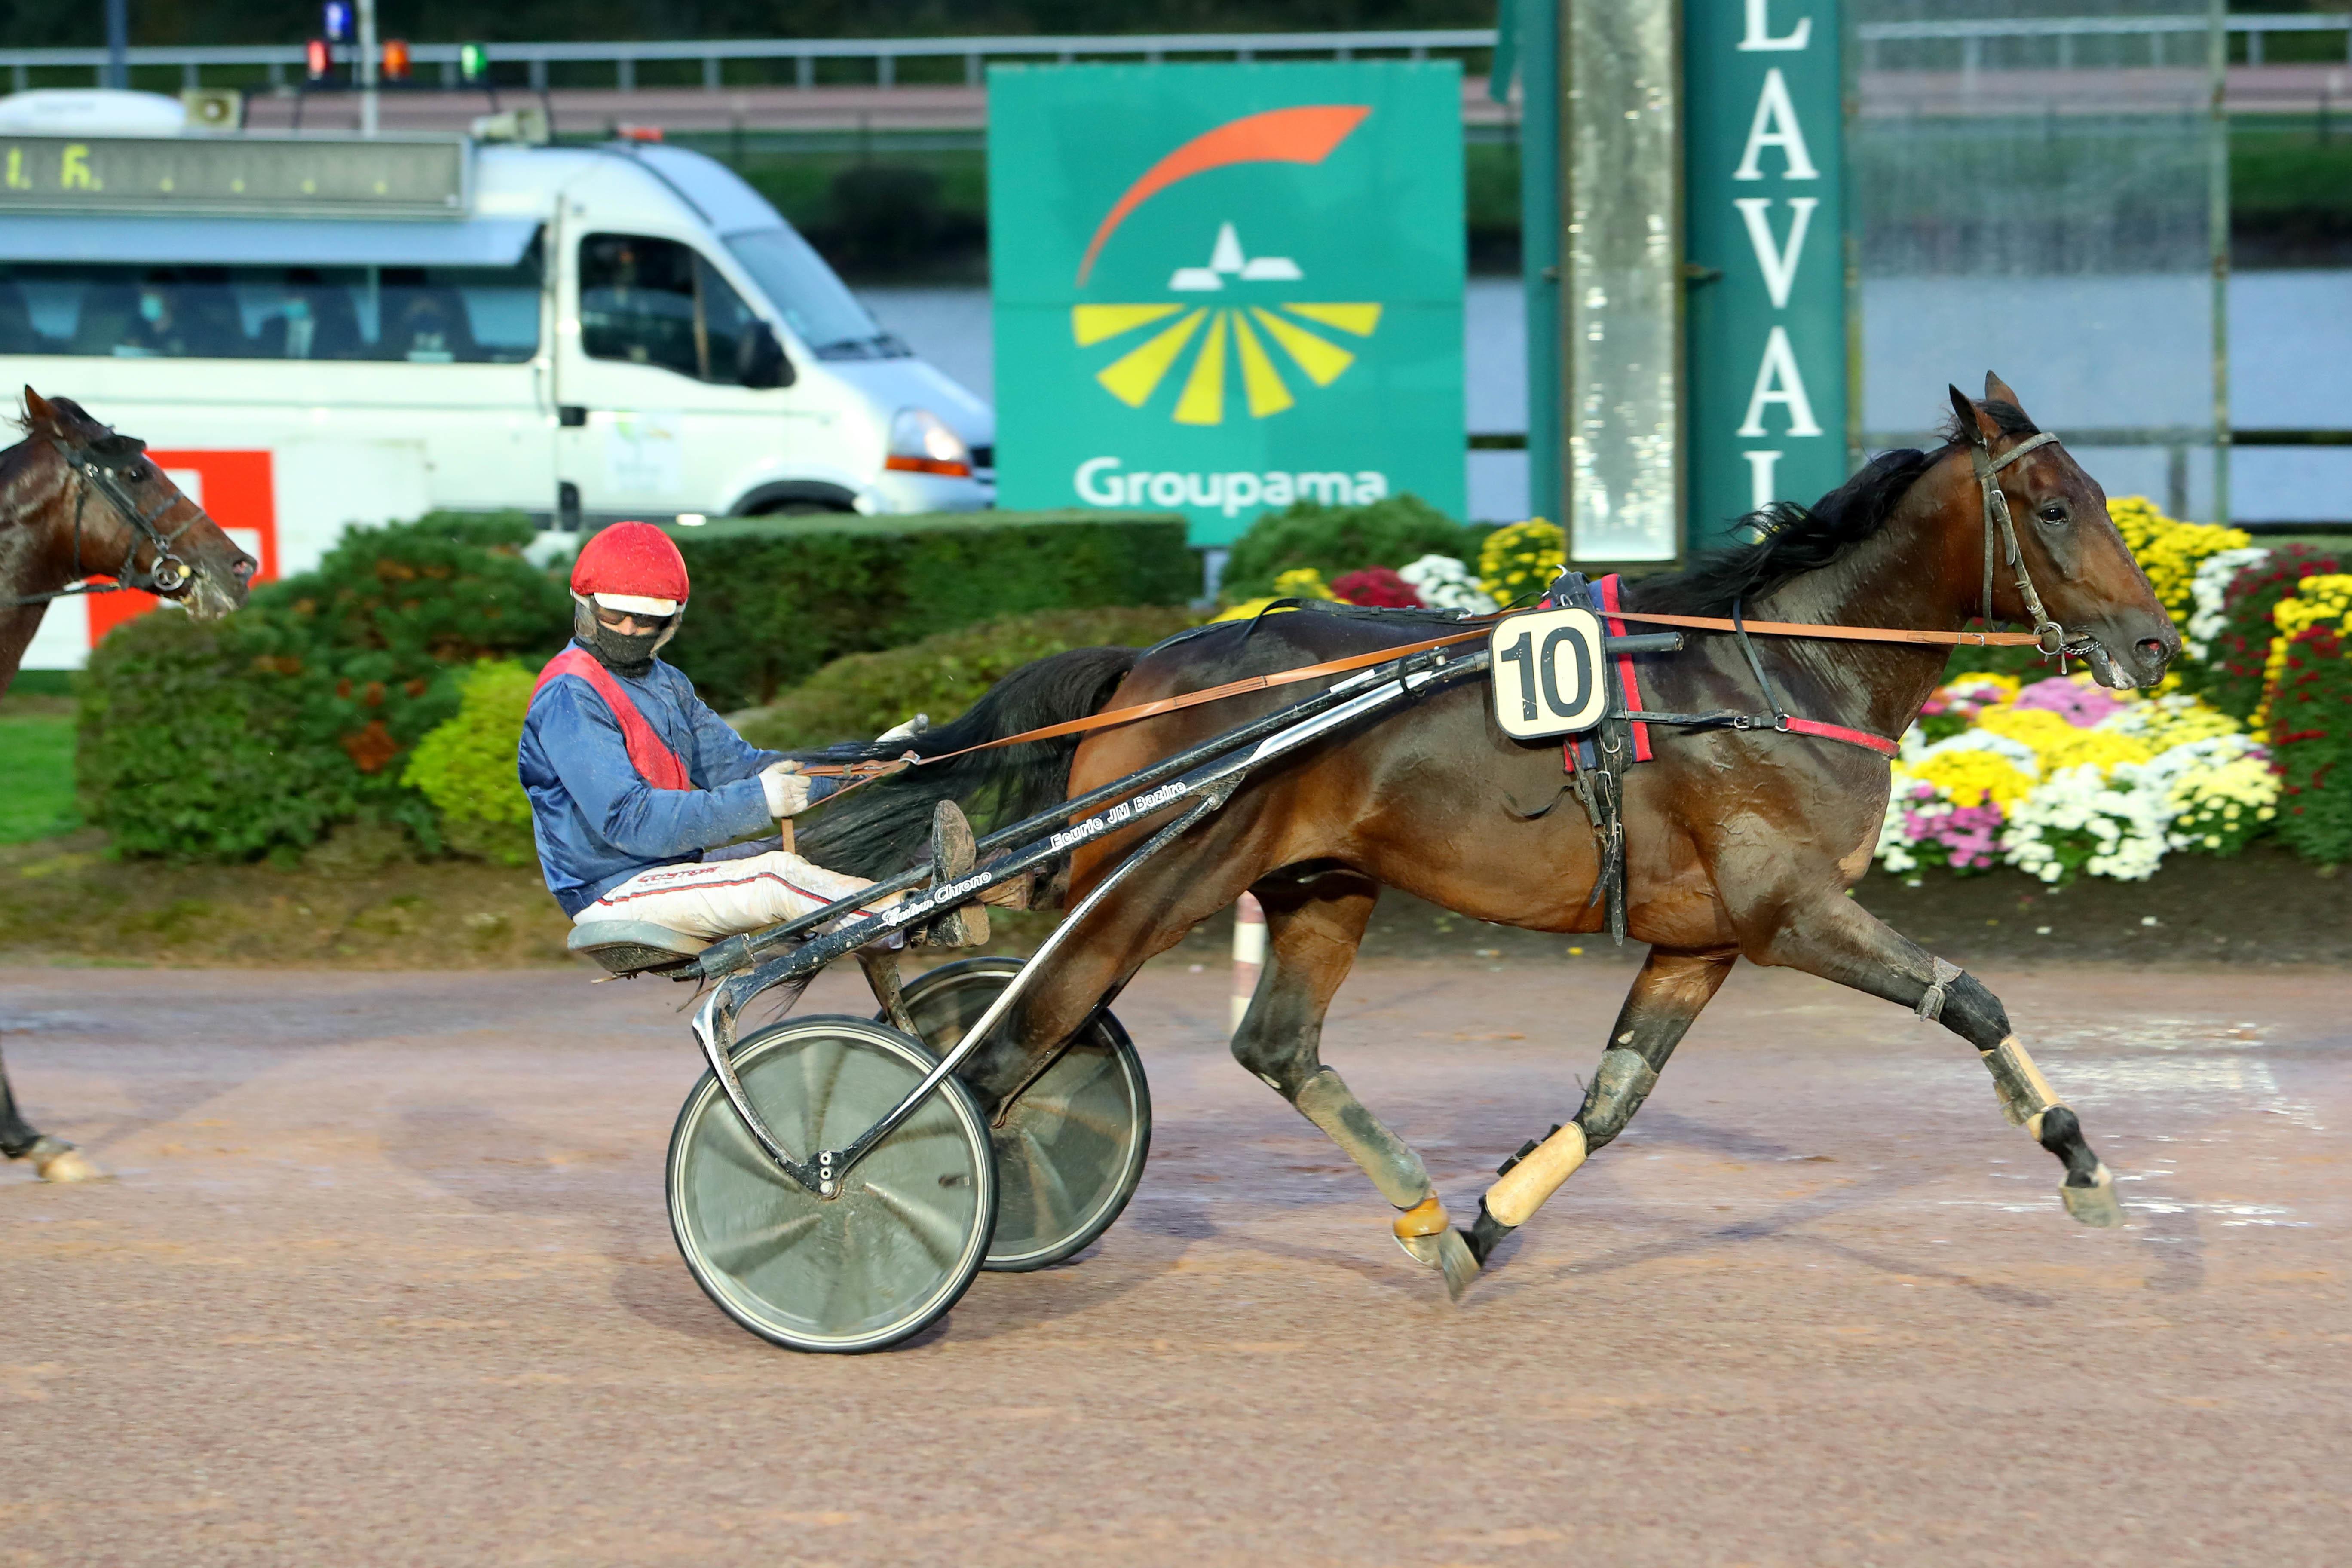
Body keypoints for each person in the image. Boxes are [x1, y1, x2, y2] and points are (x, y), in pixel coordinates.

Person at [518, 521, 992, 946]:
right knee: (778, 877)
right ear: (585, 605)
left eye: (645, 620)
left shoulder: (667, 683)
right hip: (611, 887)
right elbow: (632, 823)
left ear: (671, 622)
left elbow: (747, 769)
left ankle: (992, 877)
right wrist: (760, 800)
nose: (628, 629)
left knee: (836, 844)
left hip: (675, 869)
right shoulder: (570, 694)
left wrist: (866, 762)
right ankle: (914, 918)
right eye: (614, 616)